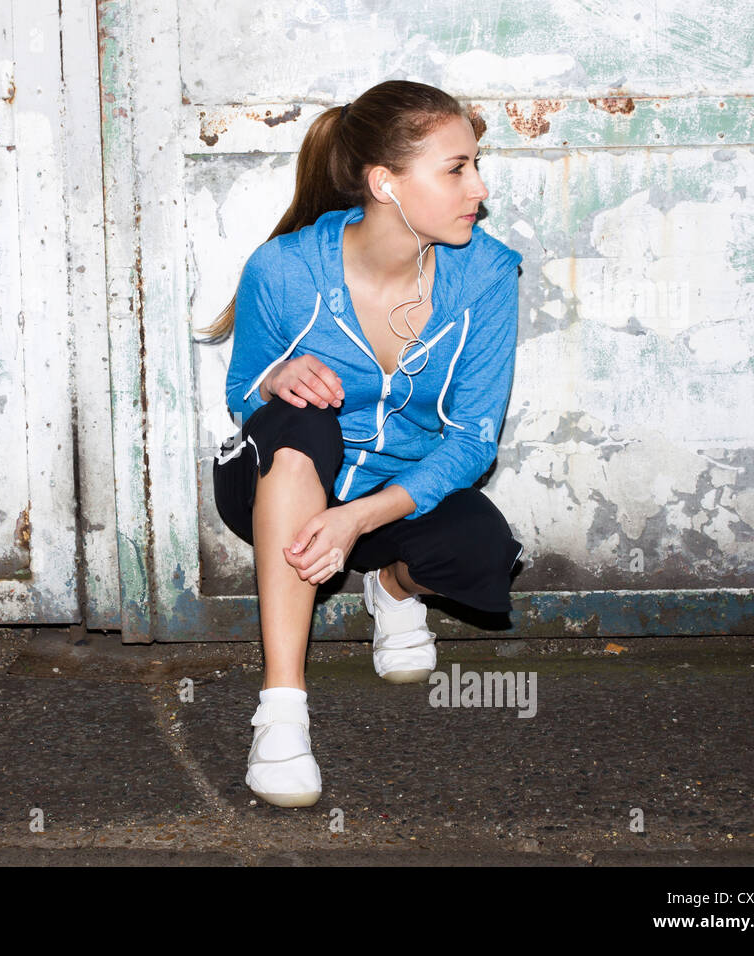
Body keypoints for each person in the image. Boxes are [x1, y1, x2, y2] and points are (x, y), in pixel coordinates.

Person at [198, 80, 525, 808]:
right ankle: (281, 713)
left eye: (475, 165)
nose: (479, 187)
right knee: (303, 414)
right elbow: (242, 393)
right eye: (456, 169)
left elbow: (474, 440)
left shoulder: (487, 275)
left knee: (485, 556)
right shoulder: (285, 268)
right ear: (385, 183)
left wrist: (358, 521)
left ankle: (391, 586)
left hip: (385, 502)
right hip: (280, 481)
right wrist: (276, 377)